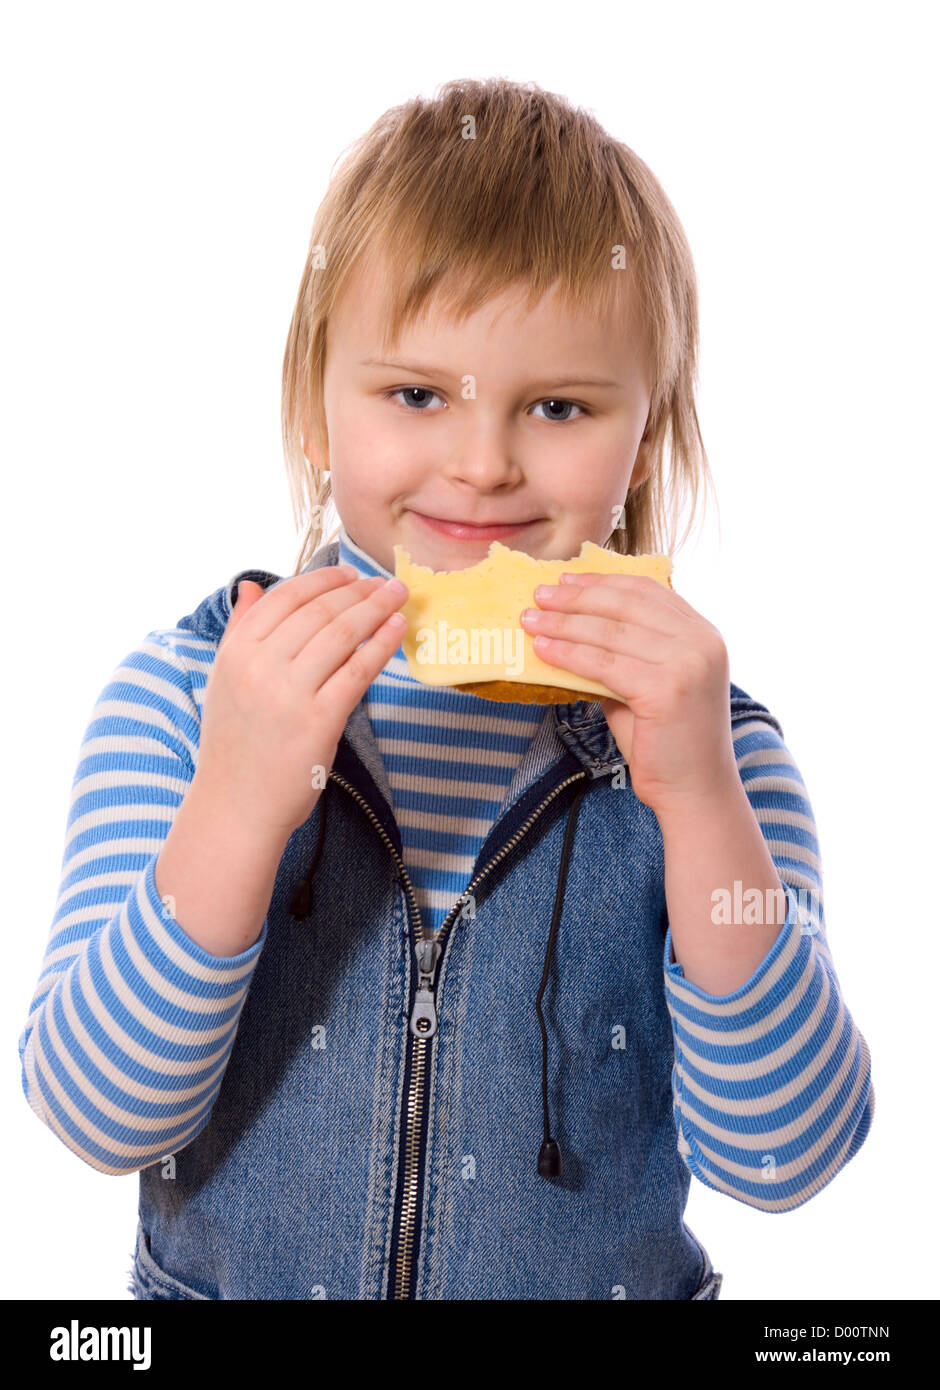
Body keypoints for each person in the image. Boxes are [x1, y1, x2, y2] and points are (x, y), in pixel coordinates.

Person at [18, 76, 874, 1301]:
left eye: (559, 405)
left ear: (647, 434)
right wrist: (239, 801)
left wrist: (697, 799)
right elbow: (96, 1114)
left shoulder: (713, 754)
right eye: (416, 394)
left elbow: (783, 1155)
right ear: (319, 403)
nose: (481, 465)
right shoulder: (183, 697)